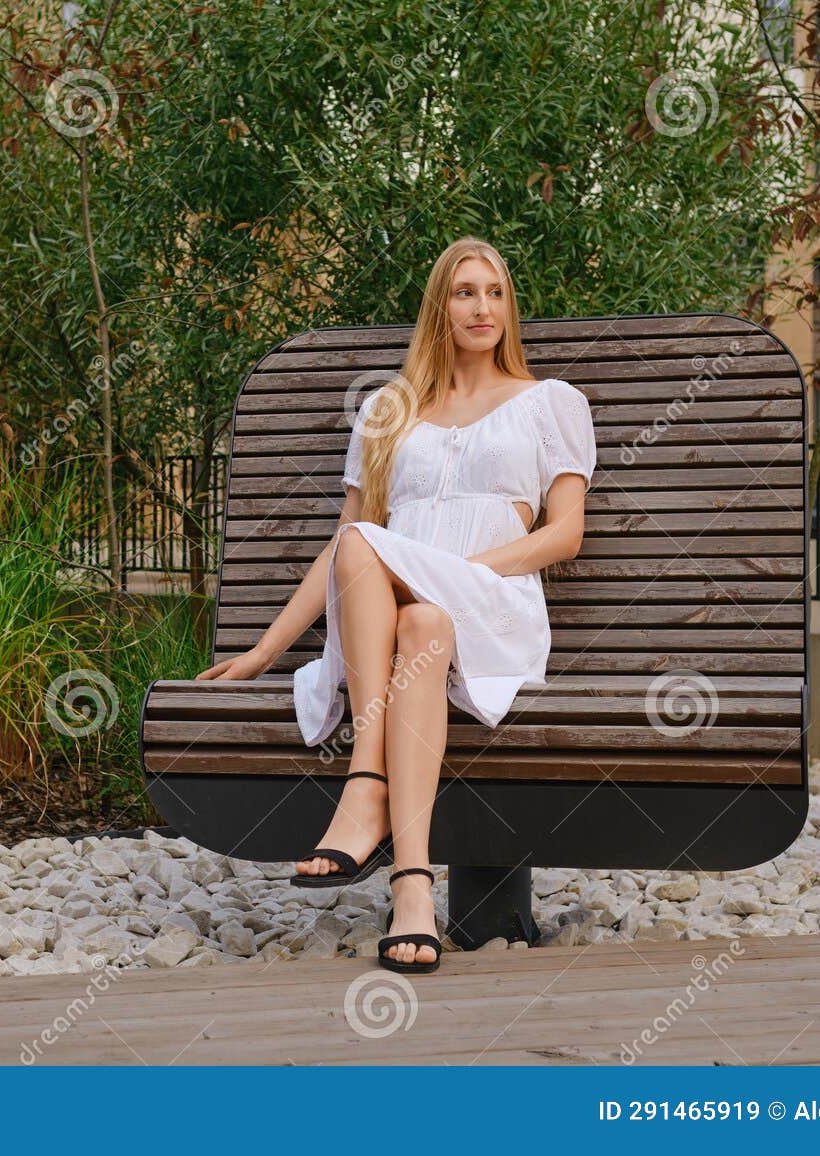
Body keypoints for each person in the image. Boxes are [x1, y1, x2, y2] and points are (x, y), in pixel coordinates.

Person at [194, 236, 597, 973]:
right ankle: (413, 887)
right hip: (404, 619)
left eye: (496, 292)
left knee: (385, 562)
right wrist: (262, 652)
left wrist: (456, 572)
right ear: (439, 306)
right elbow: (344, 549)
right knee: (414, 611)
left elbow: (565, 533)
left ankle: (364, 788)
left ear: (510, 308)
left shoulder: (549, 403)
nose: (482, 307)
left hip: (491, 602)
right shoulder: (390, 409)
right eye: (465, 292)